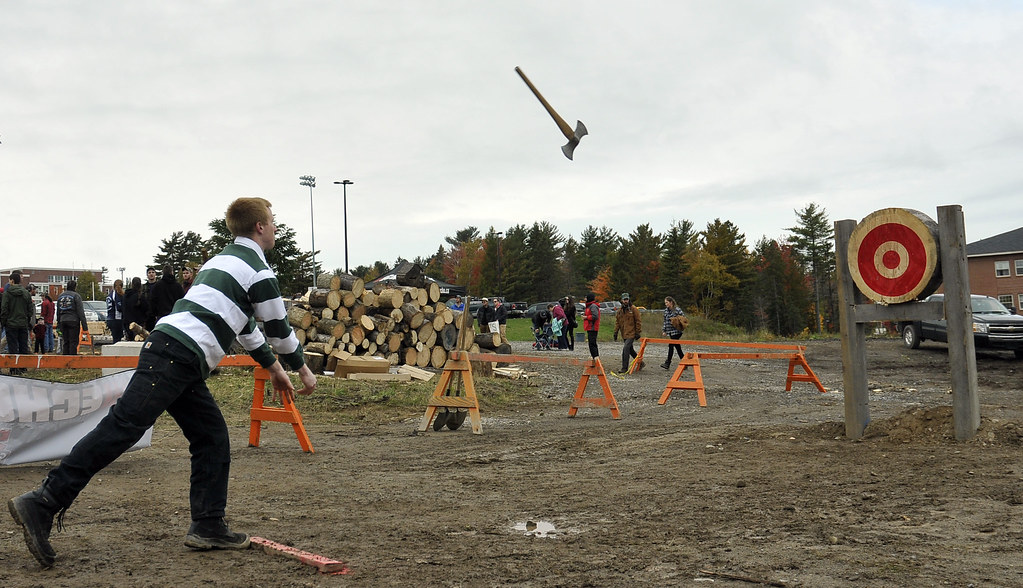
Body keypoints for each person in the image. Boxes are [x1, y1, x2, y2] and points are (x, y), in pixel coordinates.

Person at [8, 197, 317, 569]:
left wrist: (272, 367)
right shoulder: (259, 272)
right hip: (178, 356)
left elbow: (245, 324)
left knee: (211, 437)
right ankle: (43, 501)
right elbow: (279, 332)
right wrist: (300, 367)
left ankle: (207, 525)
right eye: (273, 221)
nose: (276, 227)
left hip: (174, 352)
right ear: (260, 228)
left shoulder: (220, 263)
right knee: (122, 428)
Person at [1, 270, 36, 372]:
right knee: (23, 346)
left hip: (11, 324)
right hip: (23, 323)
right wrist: (27, 320)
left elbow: (4, 310)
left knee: (12, 347)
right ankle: (23, 367)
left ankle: (13, 368)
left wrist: (4, 322)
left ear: (12, 281)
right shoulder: (26, 293)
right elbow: (30, 309)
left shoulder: (7, 294)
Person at [613, 292, 643, 373]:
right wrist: (615, 332)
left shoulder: (633, 309)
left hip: (631, 333)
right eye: (624, 299)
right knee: (630, 350)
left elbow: (638, 321)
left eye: (627, 299)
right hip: (624, 333)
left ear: (629, 299)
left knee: (625, 349)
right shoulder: (620, 311)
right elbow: (618, 322)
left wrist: (638, 332)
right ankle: (641, 363)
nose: (626, 301)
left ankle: (624, 367)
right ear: (622, 300)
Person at [56, 280, 89, 356]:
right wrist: (85, 326)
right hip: (73, 321)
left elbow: (58, 311)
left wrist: (58, 324)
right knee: (73, 342)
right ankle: (72, 360)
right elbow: (80, 312)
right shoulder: (76, 296)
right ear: (75, 287)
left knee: (66, 341)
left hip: (63, 320)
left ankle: (65, 360)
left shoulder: (60, 296)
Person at [661, 295, 687, 370]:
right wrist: (664, 330)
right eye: (665, 303)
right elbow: (665, 321)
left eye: (667, 302)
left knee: (671, 345)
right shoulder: (666, 311)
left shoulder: (677, 310)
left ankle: (667, 363)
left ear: (671, 302)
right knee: (677, 347)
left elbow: (684, 319)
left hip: (677, 331)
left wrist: (676, 320)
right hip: (670, 331)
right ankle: (684, 362)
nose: (666, 304)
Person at [105, 279, 125, 344]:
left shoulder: (110, 295)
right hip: (116, 319)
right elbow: (119, 307)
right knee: (117, 339)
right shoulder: (117, 295)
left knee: (115, 337)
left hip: (109, 318)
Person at [582, 293, 600, 360]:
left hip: (593, 327)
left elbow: (595, 316)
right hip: (589, 327)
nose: (585, 299)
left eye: (586, 298)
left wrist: (586, 317)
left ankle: (595, 356)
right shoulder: (589, 306)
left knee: (592, 343)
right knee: (591, 342)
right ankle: (594, 356)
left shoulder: (593, 306)